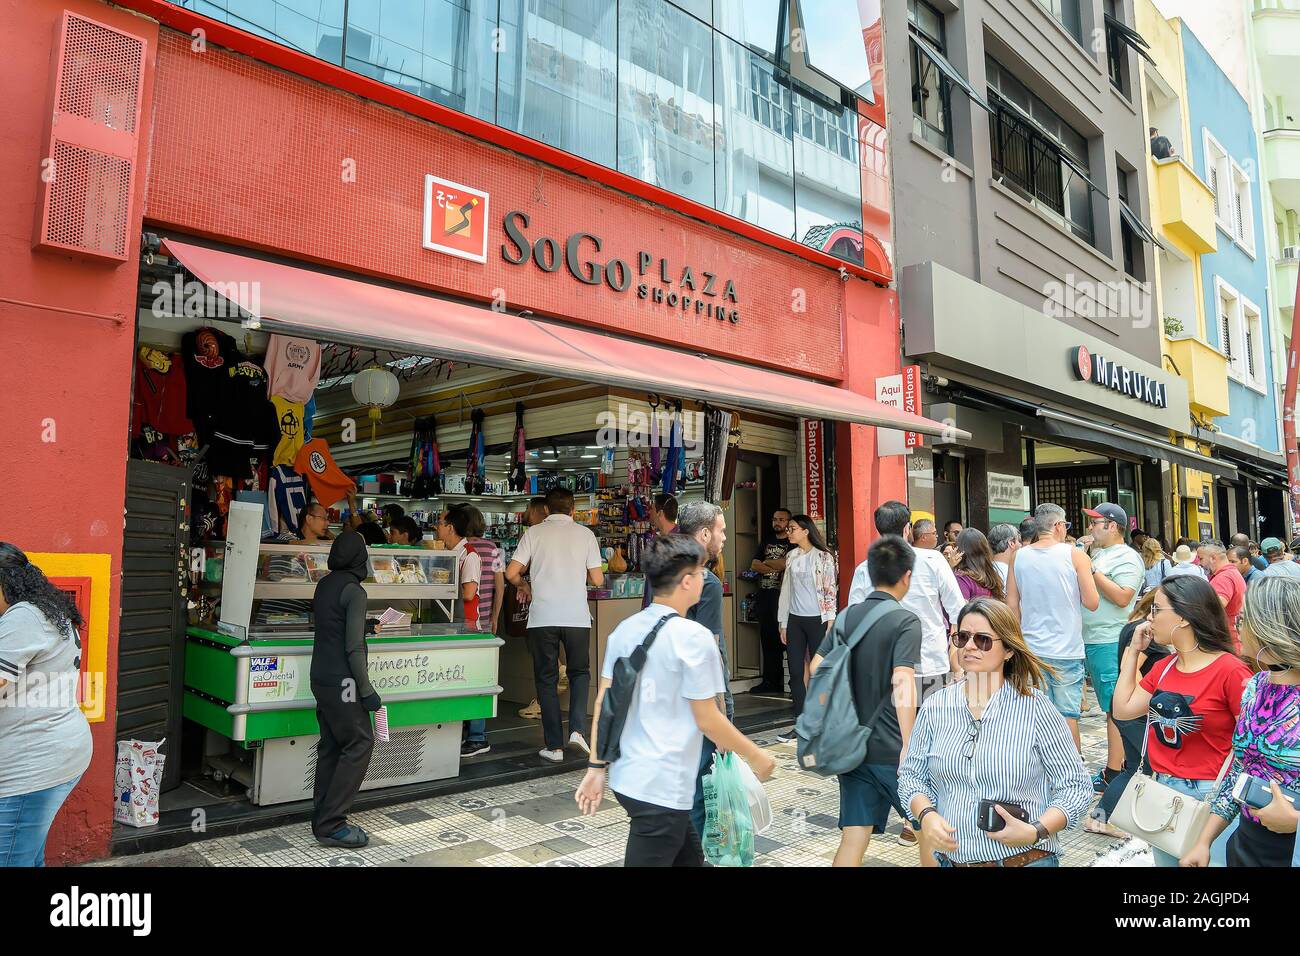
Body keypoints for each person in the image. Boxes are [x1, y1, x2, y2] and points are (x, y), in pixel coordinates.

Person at [574, 535, 776, 867]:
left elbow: (603, 703)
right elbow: (707, 718)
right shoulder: (694, 639)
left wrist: (597, 768)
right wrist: (756, 755)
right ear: (686, 581)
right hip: (662, 786)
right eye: (700, 572)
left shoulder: (624, 630)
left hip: (631, 779)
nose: (704, 578)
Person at [898, 597, 1093, 867]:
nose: (969, 646)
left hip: (1024, 860)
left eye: (983, 640)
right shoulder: (935, 706)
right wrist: (927, 814)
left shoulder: (1036, 709)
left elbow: (1076, 786)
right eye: (962, 637)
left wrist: (1036, 830)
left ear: (1009, 650)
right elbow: (911, 776)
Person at [1111, 575, 1250, 867]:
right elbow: (1122, 709)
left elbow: (1250, 746)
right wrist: (1133, 651)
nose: (1149, 618)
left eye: (1156, 610)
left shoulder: (1231, 671)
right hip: (1161, 792)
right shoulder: (1163, 668)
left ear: (1184, 617)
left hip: (1211, 797)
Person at [808, 535, 919, 867]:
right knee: (928, 827)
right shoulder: (905, 620)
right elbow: (902, 679)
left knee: (854, 835)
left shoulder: (847, 616)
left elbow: (816, 669)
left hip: (850, 746)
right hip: (891, 746)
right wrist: (909, 743)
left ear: (870, 574)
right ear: (907, 576)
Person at [1185, 577, 1300, 867]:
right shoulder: (1256, 686)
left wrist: (1295, 822)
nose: (1237, 623)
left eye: (1244, 617)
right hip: (1247, 846)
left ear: (1268, 628)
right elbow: (1240, 771)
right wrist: (1204, 841)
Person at [0, 544, 93, 867]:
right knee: (26, 855)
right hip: (54, 750)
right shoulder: (43, 609)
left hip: (33, 763)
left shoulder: (23, 616)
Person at [506, 487, 604, 762]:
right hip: (576, 617)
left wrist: (525, 584)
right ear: (573, 509)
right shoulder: (586, 535)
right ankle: (577, 731)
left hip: (543, 619)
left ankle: (554, 747)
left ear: (546, 510)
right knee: (579, 673)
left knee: (546, 679)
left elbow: (511, 572)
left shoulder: (534, 533)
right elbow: (597, 580)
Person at [1005, 503, 1100, 748]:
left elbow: (1012, 605)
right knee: (1067, 716)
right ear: (1058, 526)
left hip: (1031, 648)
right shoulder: (1075, 555)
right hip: (1067, 649)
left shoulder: (1018, 556)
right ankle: (1072, 776)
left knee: (1033, 717)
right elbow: (1092, 602)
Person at [309, 531, 382, 849]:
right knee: (360, 743)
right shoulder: (355, 591)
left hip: (320, 678)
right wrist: (367, 692)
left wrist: (364, 625)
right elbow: (353, 649)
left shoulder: (324, 584)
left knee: (331, 746)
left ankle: (321, 817)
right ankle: (333, 824)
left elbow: (328, 625)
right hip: (346, 684)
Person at [675, 501, 734, 842]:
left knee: (684, 785)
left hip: (674, 693)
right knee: (702, 785)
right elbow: (709, 650)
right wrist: (722, 717)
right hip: (701, 697)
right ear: (704, 533)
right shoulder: (705, 582)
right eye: (721, 530)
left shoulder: (664, 575)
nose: (724, 537)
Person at [1078, 504, 1145, 793]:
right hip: (1093, 638)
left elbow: (1122, 597)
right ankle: (1119, 768)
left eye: (1096, 522)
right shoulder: (1100, 554)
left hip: (1110, 639)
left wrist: (1089, 568)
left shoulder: (1128, 558)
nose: (1090, 527)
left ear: (1112, 526)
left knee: (1114, 710)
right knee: (1109, 706)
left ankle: (1115, 771)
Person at [1091, 590, 1167, 834]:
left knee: (1135, 767)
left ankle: (1100, 817)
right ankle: (1100, 819)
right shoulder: (1146, 633)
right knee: (1142, 767)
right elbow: (1129, 667)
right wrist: (1141, 700)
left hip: (1127, 705)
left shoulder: (1132, 626)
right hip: (1134, 709)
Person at [776, 514, 838, 741]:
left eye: (792, 528)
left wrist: (830, 621)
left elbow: (831, 590)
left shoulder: (824, 557)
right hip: (795, 620)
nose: (788, 532)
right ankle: (801, 723)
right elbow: (786, 591)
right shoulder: (791, 556)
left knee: (819, 671)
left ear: (805, 531)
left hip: (818, 619)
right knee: (795, 671)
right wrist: (783, 621)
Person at [453, 504, 506, 757]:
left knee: (460, 675)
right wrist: (495, 617)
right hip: (483, 621)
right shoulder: (494, 548)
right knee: (478, 676)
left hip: (460, 621)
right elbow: (500, 585)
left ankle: (475, 735)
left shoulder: (460, 549)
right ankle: (475, 733)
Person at [751, 508, 793, 694]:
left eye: (781, 520)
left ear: (788, 522)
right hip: (765, 596)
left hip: (782, 598)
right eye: (775, 519)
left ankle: (794, 683)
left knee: (786, 641)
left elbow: (785, 564)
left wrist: (766, 565)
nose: (777, 522)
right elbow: (753, 564)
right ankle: (770, 681)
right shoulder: (767, 540)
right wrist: (773, 566)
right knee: (767, 640)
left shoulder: (791, 543)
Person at [1200, 540, 1246, 653]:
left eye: (1201, 558)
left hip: (1228, 642)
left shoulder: (1223, 577)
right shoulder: (1231, 572)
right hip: (1233, 640)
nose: (1199, 563)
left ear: (1213, 558)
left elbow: (1214, 608)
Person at [950, 528, 1006, 602]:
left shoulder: (961, 579)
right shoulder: (992, 577)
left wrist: (949, 568)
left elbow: (959, 610)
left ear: (959, 550)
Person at [988, 523, 1020, 590]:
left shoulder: (984, 569)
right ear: (1011, 543)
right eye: (1019, 541)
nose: (1020, 545)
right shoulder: (1011, 575)